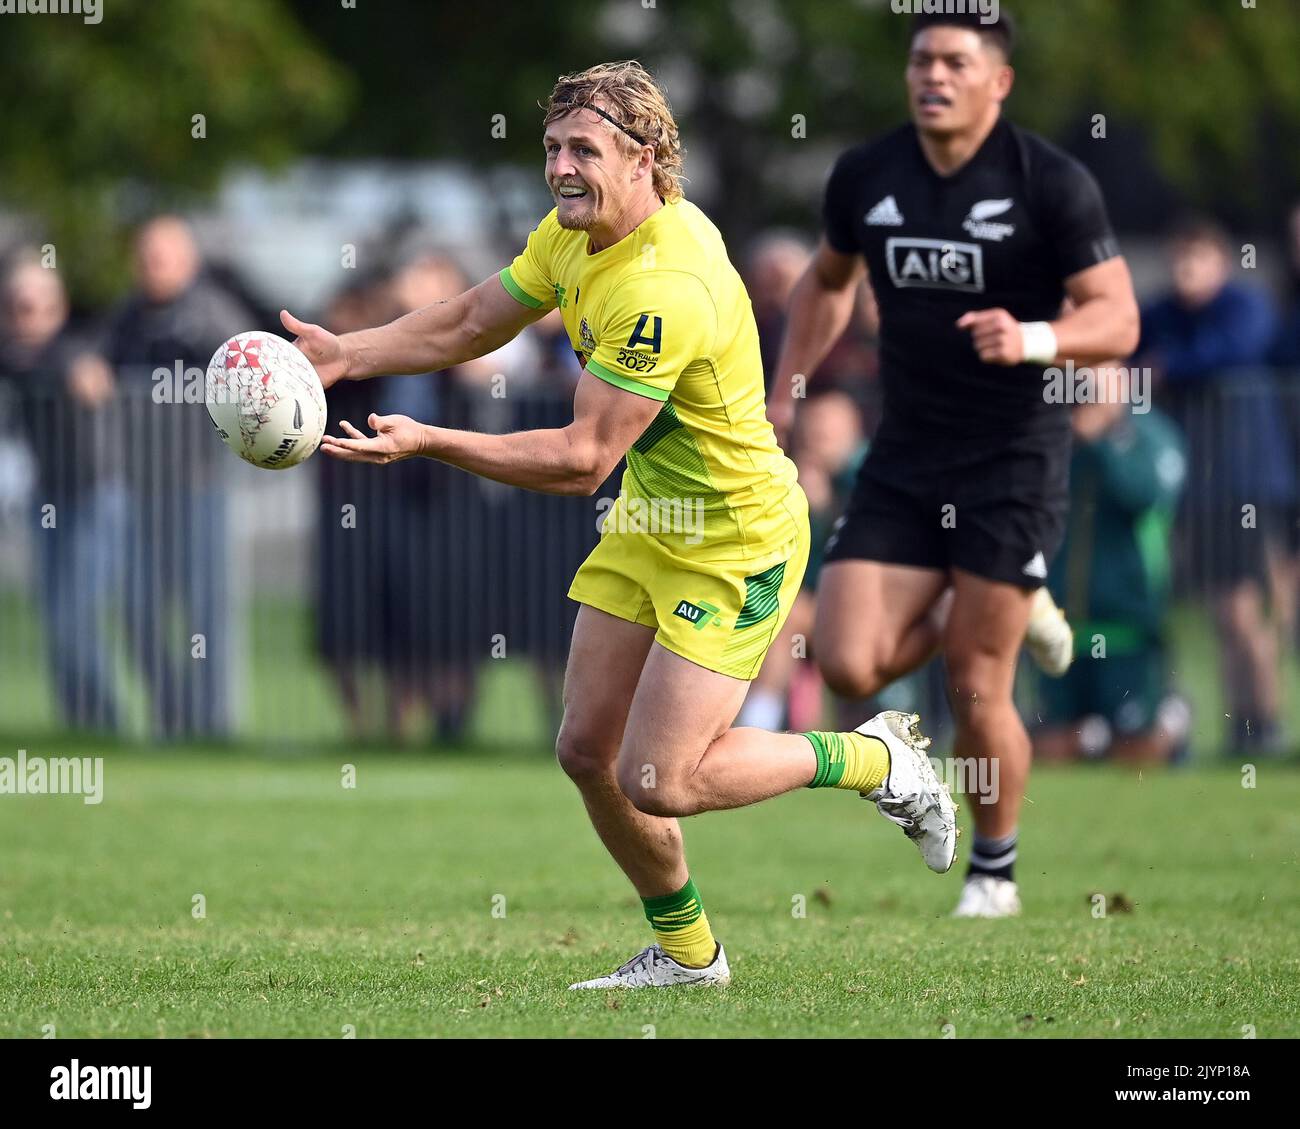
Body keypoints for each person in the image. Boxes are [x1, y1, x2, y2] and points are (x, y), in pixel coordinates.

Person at [282, 60, 956, 989]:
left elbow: (579, 458)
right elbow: (479, 316)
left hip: (735, 540)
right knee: (586, 749)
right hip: (652, 521)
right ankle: (687, 954)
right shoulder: (580, 233)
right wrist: (348, 352)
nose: (561, 165)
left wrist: (430, 437)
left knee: (663, 778)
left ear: (645, 158)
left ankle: (871, 754)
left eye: (584, 150)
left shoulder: (662, 283)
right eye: (553, 146)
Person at [772, 10, 1140, 917]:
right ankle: (977, 595)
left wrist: (1036, 336)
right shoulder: (869, 173)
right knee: (852, 666)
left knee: (977, 679)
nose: (932, 74)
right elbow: (826, 280)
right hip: (905, 454)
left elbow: (1119, 319)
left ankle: (994, 869)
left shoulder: (1051, 183)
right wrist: (787, 388)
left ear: (997, 82)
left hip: (1011, 459)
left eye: (955, 61)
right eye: (920, 58)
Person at [1140, 217, 1290, 757]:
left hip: (1243, 483)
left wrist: (1166, 367)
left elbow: (1233, 348)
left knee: (1245, 611)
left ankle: (1263, 723)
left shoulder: (1244, 306)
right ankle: (1241, 729)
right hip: (1198, 491)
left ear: (1221, 263)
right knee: (1222, 615)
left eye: (1197, 261)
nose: (1186, 273)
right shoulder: (1162, 313)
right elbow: (1131, 344)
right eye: (1179, 261)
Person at [103, 215, 254, 739]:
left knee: (206, 617)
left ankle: (211, 725)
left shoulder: (211, 311)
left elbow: (247, 366)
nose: (153, 266)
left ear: (187, 259)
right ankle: (172, 714)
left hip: (200, 486)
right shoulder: (127, 317)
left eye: (163, 255)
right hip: (140, 488)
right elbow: (93, 359)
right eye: (145, 256)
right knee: (138, 611)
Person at [1033, 370, 1188, 764]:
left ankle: (1173, 725)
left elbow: (1145, 495)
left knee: (1136, 752)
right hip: (1060, 628)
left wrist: (1104, 437)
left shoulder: (1149, 433)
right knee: (1049, 748)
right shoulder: (1052, 433)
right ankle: (1095, 741)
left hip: (1128, 627)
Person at [0, 252, 123, 731]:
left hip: (93, 500)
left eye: (31, 306)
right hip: (46, 501)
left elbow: (90, 373)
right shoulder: (14, 357)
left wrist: (83, 374)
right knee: (55, 617)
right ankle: (79, 720)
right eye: (14, 306)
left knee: (77, 615)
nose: (21, 316)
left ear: (57, 307)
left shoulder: (72, 348)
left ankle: (104, 721)